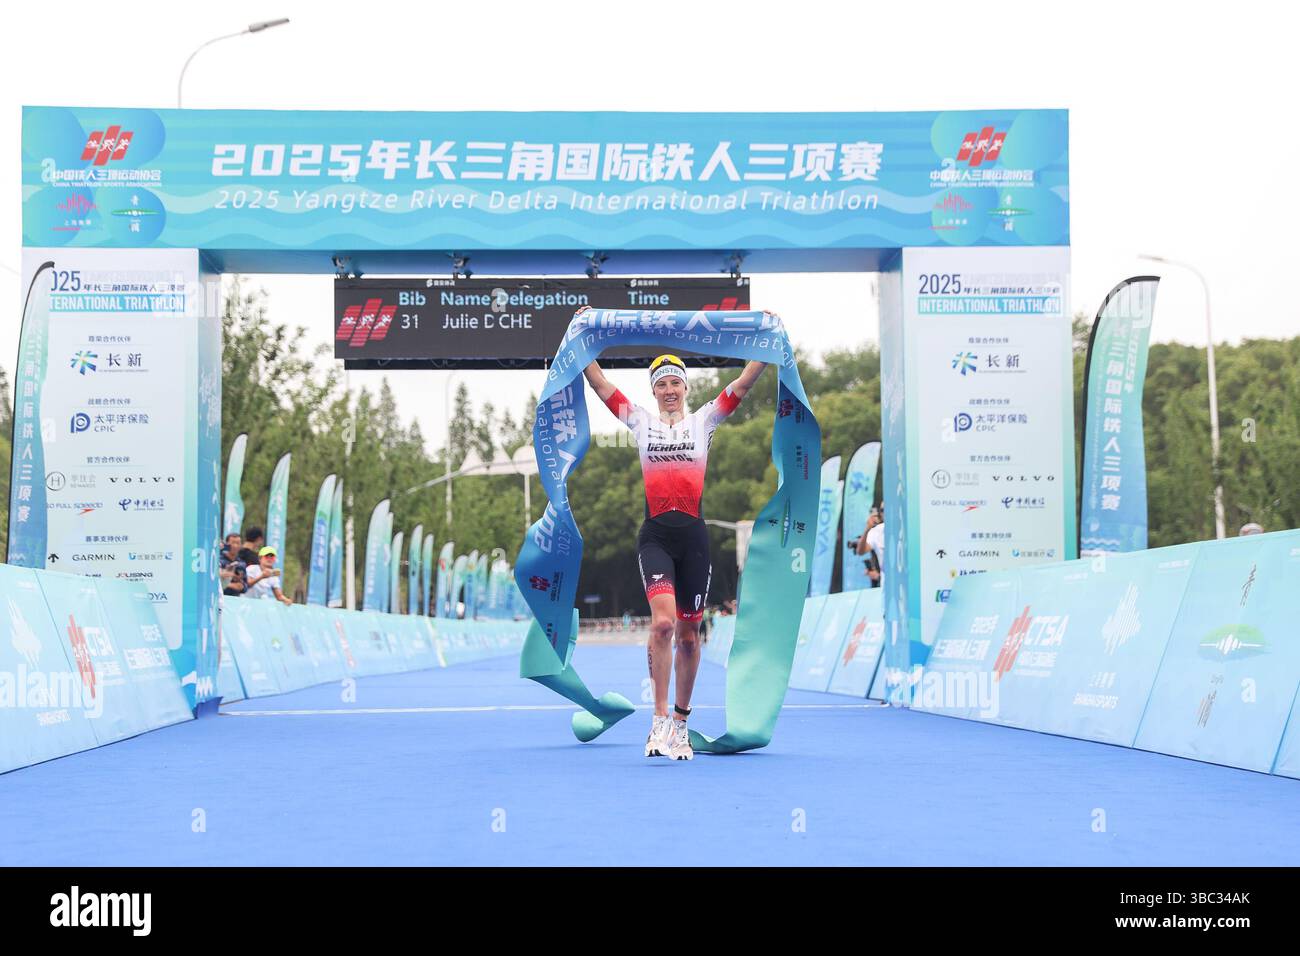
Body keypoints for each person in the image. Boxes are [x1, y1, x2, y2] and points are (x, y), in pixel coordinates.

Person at [584, 350, 767, 760]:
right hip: (655, 538)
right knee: (663, 624)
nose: (668, 391)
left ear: (685, 387)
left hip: (694, 541)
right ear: (654, 391)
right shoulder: (639, 421)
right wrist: (579, 345)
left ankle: (682, 724)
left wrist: (764, 351)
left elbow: (742, 386)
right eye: (661, 385)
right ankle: (660, 718)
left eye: (674, 383)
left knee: (688, 634)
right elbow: (600, 386)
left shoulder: (704, 420)